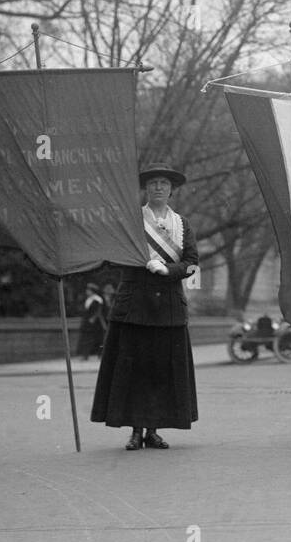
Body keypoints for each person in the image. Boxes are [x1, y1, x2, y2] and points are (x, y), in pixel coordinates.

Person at [90, 163, 199, 450]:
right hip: (135, 306)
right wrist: (143, 264)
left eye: (164, 183)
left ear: (171, 190)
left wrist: (169, 271)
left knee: (162, 371)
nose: (158, 188)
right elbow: (114, 256)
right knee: (134, 370)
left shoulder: (183, 225)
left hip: (169, 310)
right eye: (153, 183)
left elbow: (191, 263)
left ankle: (153, 430)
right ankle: (135, 431)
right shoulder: (132, 221)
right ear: (145, 189)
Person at [75, 283, 107, 359]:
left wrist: (92, 319)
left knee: (99, 339)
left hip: (96, 323)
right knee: (87, 338)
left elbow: (98, 311)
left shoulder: (97, 299)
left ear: (92, 291)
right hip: (88, 323)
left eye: (88, 290)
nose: (87, 292)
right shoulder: (89, 299)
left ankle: (100, 355)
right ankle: (85, 355)